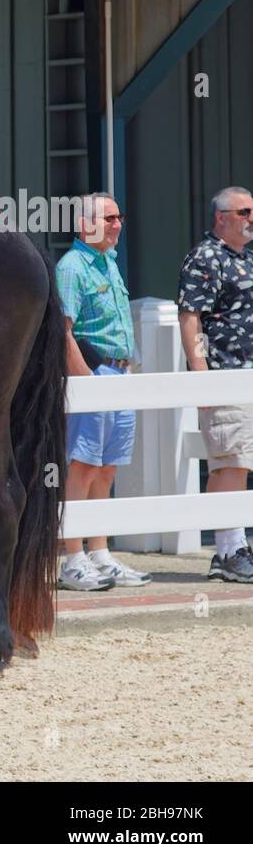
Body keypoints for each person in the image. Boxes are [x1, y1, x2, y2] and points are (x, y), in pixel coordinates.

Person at [54, 192, 151, 591]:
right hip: (94, 376)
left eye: (119, 217)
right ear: (85, 225)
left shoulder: (109, 263)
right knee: (83, 466)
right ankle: (73, 558)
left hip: (119, 374)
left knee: (107, 468)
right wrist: (87, 383)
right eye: (109, 218)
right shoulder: (72, 267)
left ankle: (100, 554)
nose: (118, 225)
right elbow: (63, 332)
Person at [178, 185, 253, 583]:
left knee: (235, 461)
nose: (250, 219)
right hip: (225, 373)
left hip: (246, 376)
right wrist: (201, 377)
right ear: (221, 218)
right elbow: (191, 318)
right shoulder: (205, 258)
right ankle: (230, 550)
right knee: (231, 462)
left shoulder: (245, 259)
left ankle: (232, 546)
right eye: (243, 212)